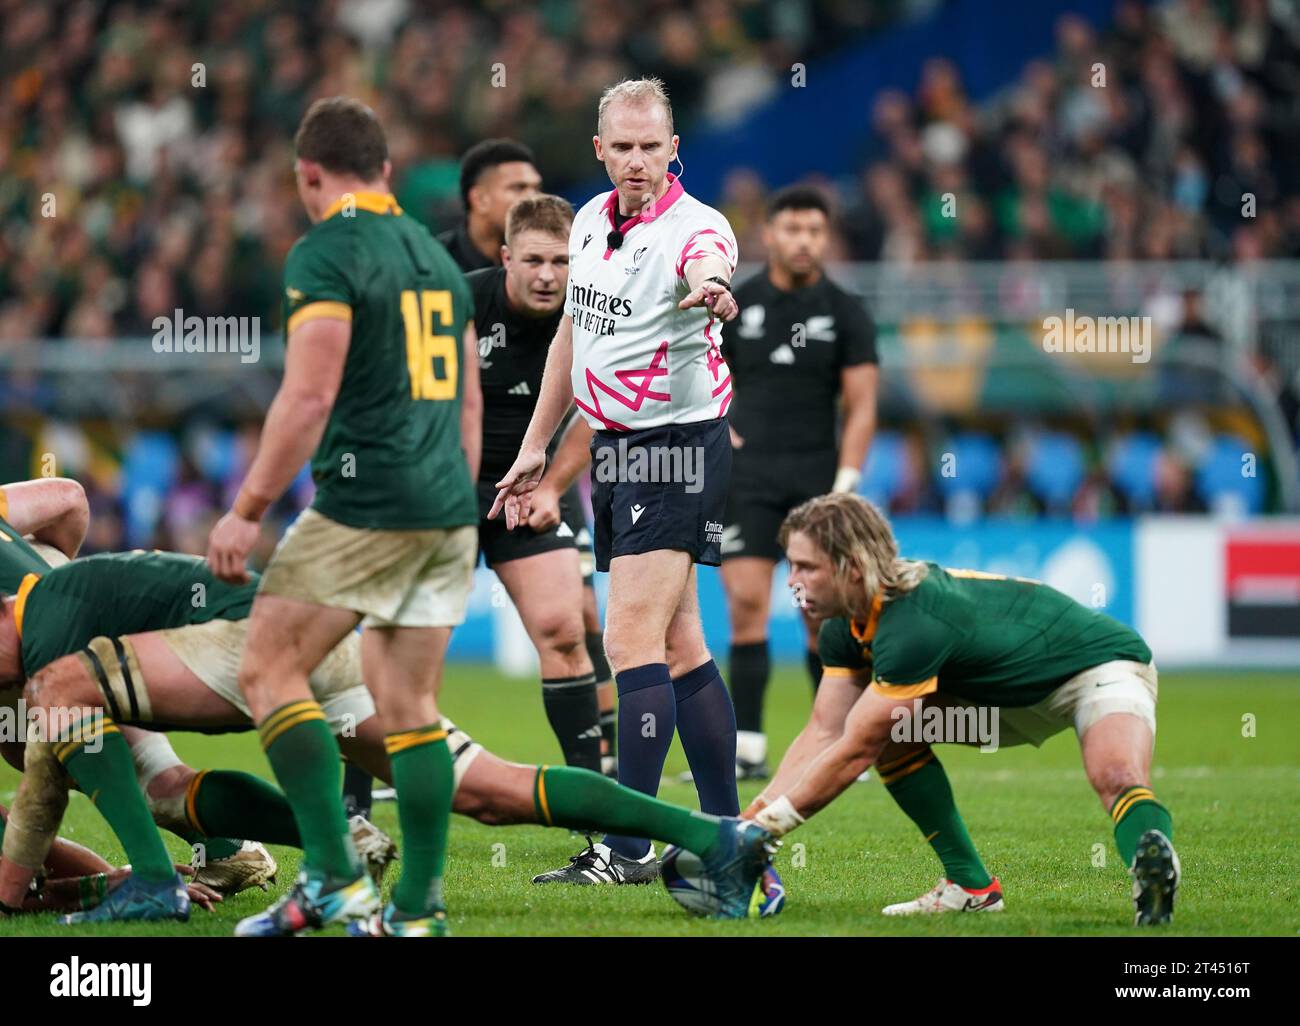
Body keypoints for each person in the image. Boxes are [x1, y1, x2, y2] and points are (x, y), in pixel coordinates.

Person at [0, 549, 762, 916]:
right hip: (328, 642)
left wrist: (41, 882)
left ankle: (159, 884)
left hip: (267, 639)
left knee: (58, 692)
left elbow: (45, 766)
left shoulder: (45, 628)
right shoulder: (63, 595)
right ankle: (713, 837)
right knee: (488, 789)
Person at [207, 97, 481, 937]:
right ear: (388, 172)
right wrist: (453, 503)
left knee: (265, 669)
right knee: (409, 706)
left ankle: (332, 876)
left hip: (367, 502)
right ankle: (417, 910)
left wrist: (246, 509)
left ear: (308, 175)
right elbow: (470, 404)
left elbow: (310, 393)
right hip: (445, 505)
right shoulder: (437, 260)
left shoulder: (326, 250)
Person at [492, 77, 748, 884]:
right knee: (679, 642)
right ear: (599, 150)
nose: (637, 162)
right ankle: (725, 832)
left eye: (652, 147)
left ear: (675, 150)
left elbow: (710, 266)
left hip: (673, 447)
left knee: (629, 640)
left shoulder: (697, 228)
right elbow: (574, 330)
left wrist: (712, 290)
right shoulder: (590, 220)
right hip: (616, 448)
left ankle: (625, 846)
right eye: (623, 147)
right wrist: (538, 444)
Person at [729, 494, 1180, 926]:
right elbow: (825, 731)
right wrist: (750, 818)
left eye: (806, 566)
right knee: (893, 732)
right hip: (1001, 701)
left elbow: (853, 750)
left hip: (1095, 667)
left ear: (852, 565)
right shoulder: (841, 628)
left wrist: (764, 832)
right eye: (792, 565)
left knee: (1116, 777)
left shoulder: (913, 621)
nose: (791, 580)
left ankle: (1150, 868)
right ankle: (972, 890)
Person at [0, 479, 277, 901]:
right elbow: (70, 499)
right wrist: (54, 592)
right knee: (163, 783)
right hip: (83, 628)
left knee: (22, 854)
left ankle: (146, 881)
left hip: (35, 654)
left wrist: (94, 885)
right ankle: (234, 847)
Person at [718, 186, 878, 779]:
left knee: (822, 614)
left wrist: (847, 482)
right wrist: (717, 429)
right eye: (792, 229)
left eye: (815, 230)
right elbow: (705, 372)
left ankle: (838, 739)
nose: (804, 240)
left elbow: (862, 406)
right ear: (769, 234)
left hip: (818, 481)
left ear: (825, 237)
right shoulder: (738, 303)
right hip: (748, 476)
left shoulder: (846, 310)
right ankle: (748, 747)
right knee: (746, 603)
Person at [469, 194, 604, 772]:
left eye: (561, 262)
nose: (549, 276)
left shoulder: (597, 314)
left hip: (534, 491)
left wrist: (549, 488)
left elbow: (602, 408)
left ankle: (591, 797)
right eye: (533, 261)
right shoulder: (459, 301)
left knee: (566, 631)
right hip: (451, 486)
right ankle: (355, 807)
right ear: (505, 257)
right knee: (394, 638)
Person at [436, 138, 542, 272]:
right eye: (518, 188)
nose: (534, 198)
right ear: (480, 199)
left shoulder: (548, 262)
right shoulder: (435, 262)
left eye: (537, 188)